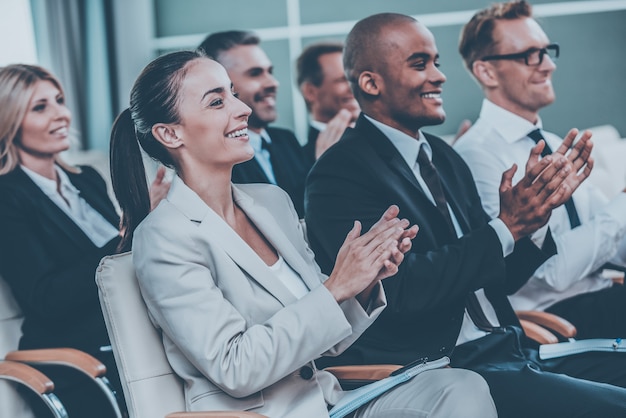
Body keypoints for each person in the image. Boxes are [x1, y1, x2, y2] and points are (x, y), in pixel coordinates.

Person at [108, 49, 498, 418]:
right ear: (170, 134)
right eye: (217, 102)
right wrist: (337, 288)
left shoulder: (272, 203)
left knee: (460, 388)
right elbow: (236, 369)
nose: (243, 109)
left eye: (234, 94)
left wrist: (363, 279)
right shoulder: (162, 237)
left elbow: (329, 340)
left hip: (327, 400)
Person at [305, 12, 626, 417]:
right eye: (420, 64)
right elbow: (402, 292)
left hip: (513, 349)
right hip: (451, 370)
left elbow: (500, 277)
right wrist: (505, 228)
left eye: (437, 62)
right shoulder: (340, 173)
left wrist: (533, 224)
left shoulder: (444, 156)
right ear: (371, 83)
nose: (439, 76)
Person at [454, 0, 626, 339]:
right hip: (554, 321)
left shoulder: (552, 140)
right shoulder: (476, 154)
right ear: (486, 71)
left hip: (602, 297)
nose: (548, 66)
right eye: (530, 55)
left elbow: (610, 244)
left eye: (548, 52)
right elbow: (552, 274)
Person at [0, 64, 133, 417]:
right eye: (40, 107)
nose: (61, 114)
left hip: (130, 334)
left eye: (59, 100)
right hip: (77, 359)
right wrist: (126, 236)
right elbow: (47, 298)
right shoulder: (7, 197)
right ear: (8, 121)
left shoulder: (87, 179)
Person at [198, 31, 309, 217]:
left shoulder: (286, 140)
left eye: (270, 72)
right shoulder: (213, 158)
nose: (273, 83)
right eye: (255, 74)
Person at [296, 41, 360, 163]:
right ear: (310, 92)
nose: (354, 87)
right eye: (342, 80)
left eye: (354, 79)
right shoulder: (298, 159)